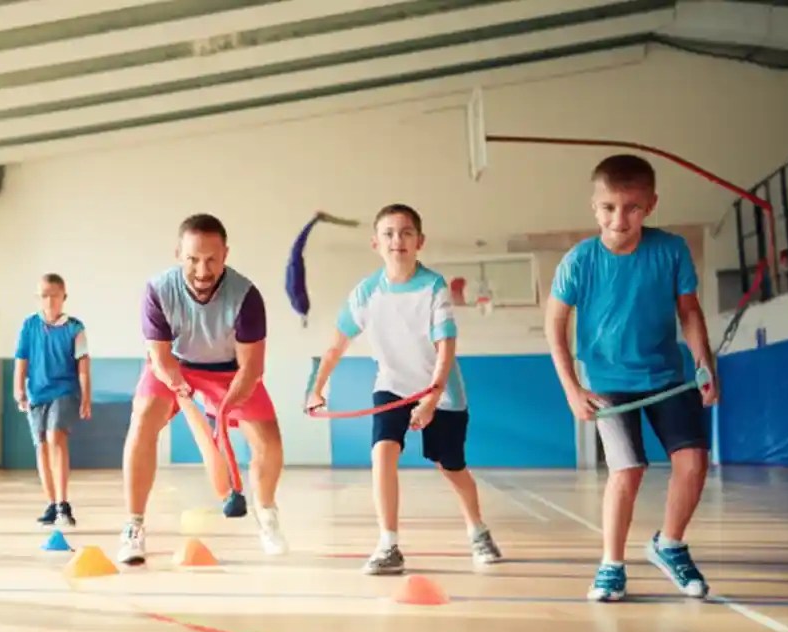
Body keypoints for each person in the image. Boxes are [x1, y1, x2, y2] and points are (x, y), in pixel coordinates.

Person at [545, 154, 718, 602]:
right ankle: (611, 564)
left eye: (632, 207)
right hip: (607, 382)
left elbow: (690, 311)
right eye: (609, 207)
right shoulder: (579, 261)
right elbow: (554, 326)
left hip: (666, 376)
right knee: (627, 469)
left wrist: (704, 362)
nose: (619, 219)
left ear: (651, 205)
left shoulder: (671, 250)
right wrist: (572, 389)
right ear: (594, 207)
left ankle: (670, 544)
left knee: (694, 462)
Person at [306, 204, 502, 575]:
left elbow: (446, 347)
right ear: (375, 243)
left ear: (419, 242)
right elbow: (334, 347)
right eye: (389, 233)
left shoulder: (433, 287)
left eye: (406, 232)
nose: (398, 240)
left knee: (452, 467)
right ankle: (388, 544)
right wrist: (316, 389)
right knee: (382, 453)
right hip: (393, 385)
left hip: (441, 391)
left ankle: (478, 530)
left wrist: (431, 397)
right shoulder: (365, 293)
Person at [117, 213, 287, 564]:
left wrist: (223, 408)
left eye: (211, 259)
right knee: (143, 418)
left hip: (231, 372)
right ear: (178, 253)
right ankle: (133, 526)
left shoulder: (246, 296)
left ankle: (266, 513)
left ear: (225, 254)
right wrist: (183, 390)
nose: (202, 270)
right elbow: (160, 359)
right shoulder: (157, 291)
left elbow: (251, 366)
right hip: (175, 366)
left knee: (269, 445)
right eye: (193, 259)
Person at [14, 273, 92, 527]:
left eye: (54, 295)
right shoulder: (29, 325)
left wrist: (86, 397)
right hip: (37, 393)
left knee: (55, 437)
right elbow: (21, 359)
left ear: (63, 297)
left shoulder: (75, 328)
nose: (49, 301)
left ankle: (63, 503)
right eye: (44, 296)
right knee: (42, 445)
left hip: (65, 391)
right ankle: (51, 503)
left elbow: (83, 365)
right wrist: (19, 389)